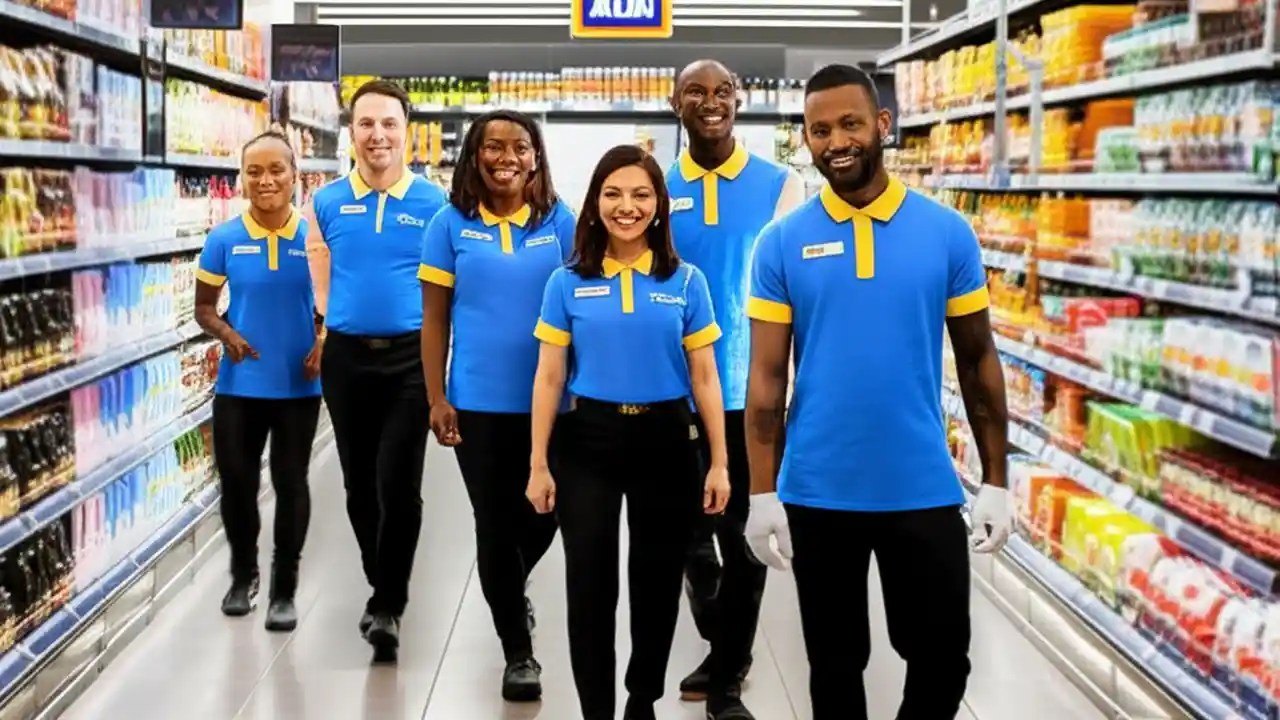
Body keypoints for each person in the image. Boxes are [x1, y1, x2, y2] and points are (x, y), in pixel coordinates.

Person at [741, 64, 1013, 720]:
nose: (836, 140)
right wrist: (760, 491)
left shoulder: (946, 233)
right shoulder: (780, 243)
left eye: (851, 124)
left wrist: (998, 478)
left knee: (944, 657)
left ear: (883, 126)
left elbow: (978, 360)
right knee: (835, 666)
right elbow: (768, 378)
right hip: (818, 488)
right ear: (806, 139)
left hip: (922, 482)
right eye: (820, 129)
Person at [525, 144, 732, 720]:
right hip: (587, 441)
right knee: (589, 584)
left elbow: (706, 377)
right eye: (612, 194)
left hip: (666, 442)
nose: (627, 206)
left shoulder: (686, 282)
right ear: (593, 205)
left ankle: (642, 698)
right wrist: (539, 464)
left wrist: (718, 462)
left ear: (660, 207)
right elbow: (548, 378)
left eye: (641, 195)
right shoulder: (566, 283)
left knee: (657, 580)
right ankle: (596, 707)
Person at [664, 58, 805, 720]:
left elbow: (796, 294)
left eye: (723, 91)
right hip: (676, 392)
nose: (711, 102)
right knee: (688, 538)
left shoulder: (781, 185)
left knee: (746, 537)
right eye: (697, 92)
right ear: (675, 104)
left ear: (740, 101)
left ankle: (725, 679)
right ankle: (726, 649)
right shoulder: (656, 189)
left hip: (753, 395)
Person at [418, 109, 575, 701]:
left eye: (520, 146)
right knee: (494, 523)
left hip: (555, 404)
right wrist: (437, 396)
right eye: (493, 146)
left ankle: (510, 587)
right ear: (473, 156)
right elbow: (434, 320)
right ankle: (519, 652)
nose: (506, 156)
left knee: (543, 517)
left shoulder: (561, 221)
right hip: (478, 402)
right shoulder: (449, 224)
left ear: (536, 156)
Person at [304, 80, 448, 662]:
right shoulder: (327, 202)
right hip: (345, 359)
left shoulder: (434, 204)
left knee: (398, 482)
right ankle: (380, 583)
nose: (377, 135)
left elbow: (446, 289)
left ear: (406, 132)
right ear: (351, 133)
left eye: (389, 124)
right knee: (358, 485)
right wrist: (322, 327)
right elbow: (318, 277)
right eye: (366, 124)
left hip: (411, 360)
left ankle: (388, 603)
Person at [194, 131, 323, 632]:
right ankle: (243, 575)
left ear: (295, 176)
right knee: (239, 484)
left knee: (292, 483)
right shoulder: (223, 239)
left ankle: (284, 589)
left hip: (298, 387)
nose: (266, 180)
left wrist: (324, 340)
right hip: (238, 386)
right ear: (242, 178)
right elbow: (204, 308)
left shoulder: (314, 238)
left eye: (276, 170)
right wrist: (227, 333)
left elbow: (338, 302)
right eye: (254, 172)